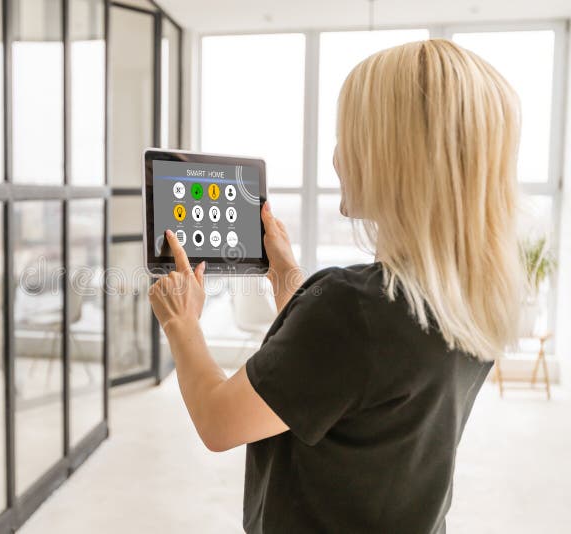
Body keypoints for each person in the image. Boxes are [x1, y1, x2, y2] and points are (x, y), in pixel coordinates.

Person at [148, 39, 523, 534]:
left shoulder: (353, 309)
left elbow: (220, 422)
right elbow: (335, 371)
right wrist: (284, 273)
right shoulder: (469, 295)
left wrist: (181, 324)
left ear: (397, 160)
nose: (336, 157)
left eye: (350, 137)